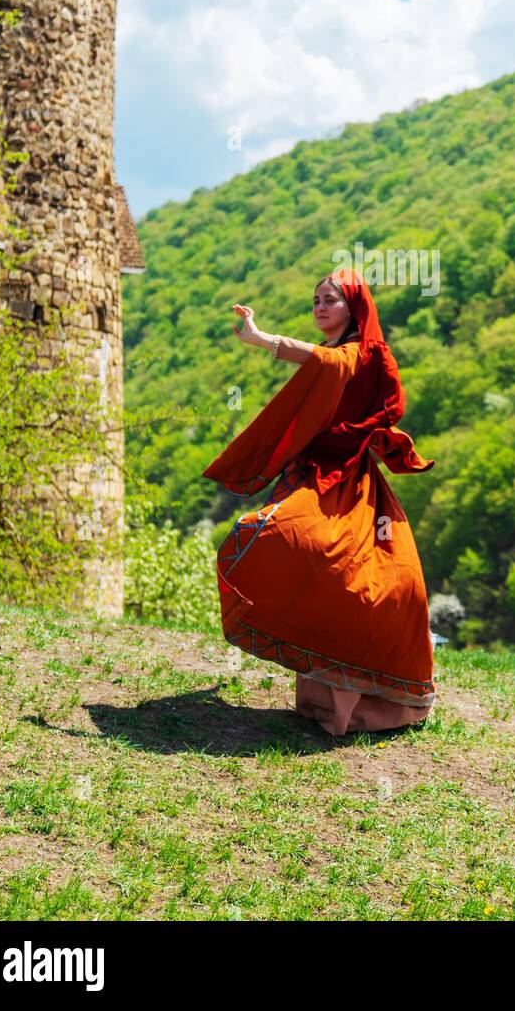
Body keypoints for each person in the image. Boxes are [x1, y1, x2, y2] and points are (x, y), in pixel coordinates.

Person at [202, 268, 437, 736]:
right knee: (310, 563)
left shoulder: (363, 353)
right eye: (315, 300)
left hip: (348, 482)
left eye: (330, 299)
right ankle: (321, 698)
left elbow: (329, 365)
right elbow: (322, 364)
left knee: (344, 575)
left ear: (354, 308)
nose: (320, 307)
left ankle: (366, 699)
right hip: (318, 475)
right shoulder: (338, 354)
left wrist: (261, 339)